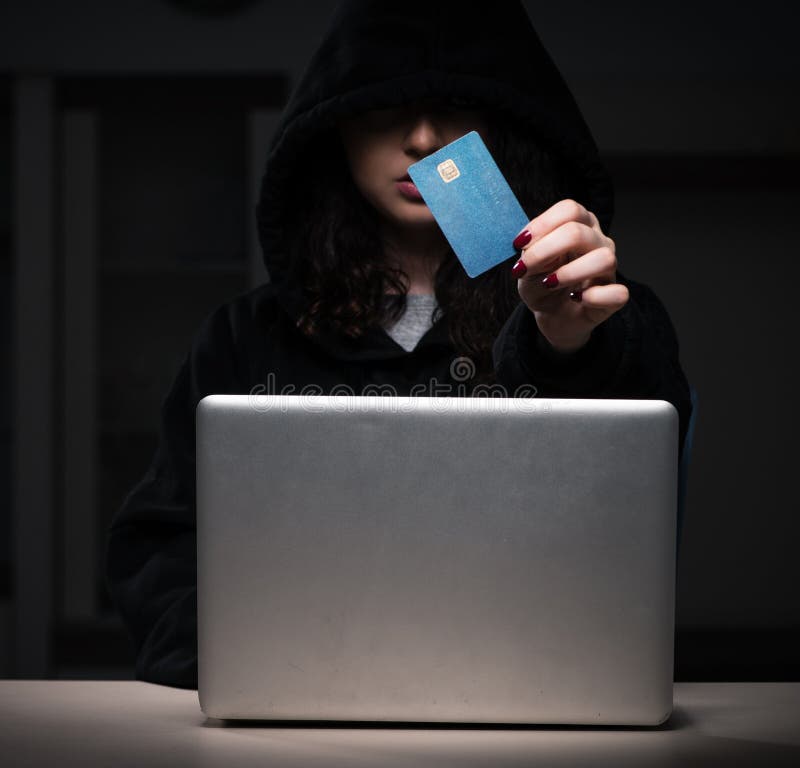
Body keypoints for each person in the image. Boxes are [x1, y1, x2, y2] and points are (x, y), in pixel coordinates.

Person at [106, 0, 694, 689]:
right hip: (292, 706)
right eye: (385, 109)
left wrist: (567, 340)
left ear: (509, 129)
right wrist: (249, 667)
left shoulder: (600, 315)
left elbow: (632, 522)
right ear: (334, 130)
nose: (421, 139)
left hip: (535, 694)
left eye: (455, 110)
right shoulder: (243, 337)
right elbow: (160, 551)